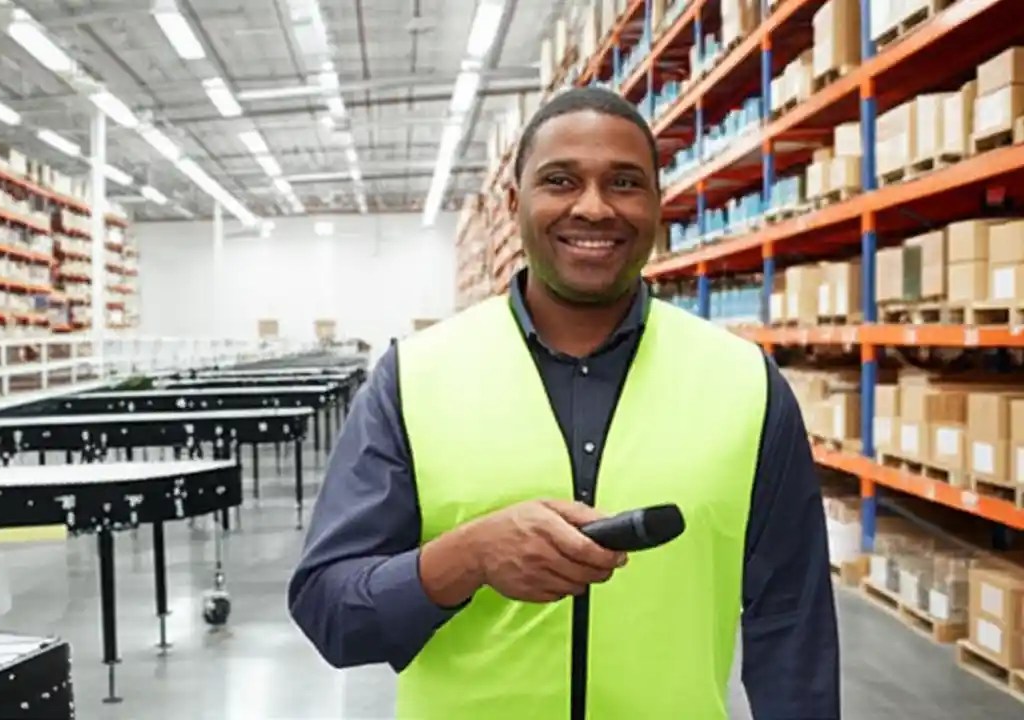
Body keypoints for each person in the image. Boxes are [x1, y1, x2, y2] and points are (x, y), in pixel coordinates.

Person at [287, 86, 840, 720]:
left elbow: (792, 615)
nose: (595, 208)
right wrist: (467, 558)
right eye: (560, 180)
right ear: (515, 202)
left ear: (659, 205)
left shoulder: (745, 382)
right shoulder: (414, 377)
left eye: (625, 183)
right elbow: (331, 611)